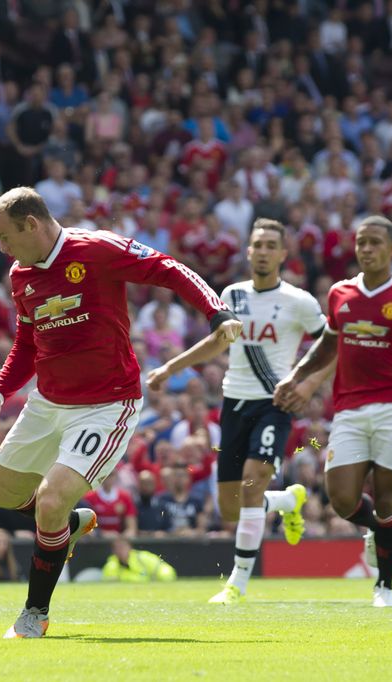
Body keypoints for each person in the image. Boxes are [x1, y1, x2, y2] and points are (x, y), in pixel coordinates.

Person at [0, 187, 241, 638]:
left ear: (31, 225)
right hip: (48, 402)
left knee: (52, 500)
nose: (1, 247)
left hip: (106, 404)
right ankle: (68, 526)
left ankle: (33, 615)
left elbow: (168, 269)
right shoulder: (21, 275)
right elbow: (26, 343)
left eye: (4, 236)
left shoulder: (95, 249)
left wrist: (216, 312)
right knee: (0, 493)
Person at [274, 215, 392, 608]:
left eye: (375, 242)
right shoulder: (341, 293)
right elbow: (327, 345)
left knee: (389, 496)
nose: (367, 249)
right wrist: (295, 376)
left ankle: (385, 587)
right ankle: (380, 532)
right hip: (350, 409)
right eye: (361, 243)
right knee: (341, 499)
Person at [147, 218, 329, 604]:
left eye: (269, 245)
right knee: (232, 508)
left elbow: (332, 344)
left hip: (275, 403)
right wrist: (170, 368)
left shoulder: (299, 301)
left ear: (282, 253)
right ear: (248, 251)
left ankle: (237, 584)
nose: (262, 251)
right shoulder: (232, 294)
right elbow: (217, 342)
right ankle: (286, 500)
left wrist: (308, 384)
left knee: (251, 481)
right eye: (257, 244)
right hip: (234, 403)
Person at [101, 536, 177, 583]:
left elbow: (164, 569)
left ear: (129, 547)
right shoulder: (111, 564)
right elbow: (109, 581)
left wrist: (163, 579)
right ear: (114, 551)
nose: (120, 551)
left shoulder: (143, 557)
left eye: (123, 547)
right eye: (117, 548)